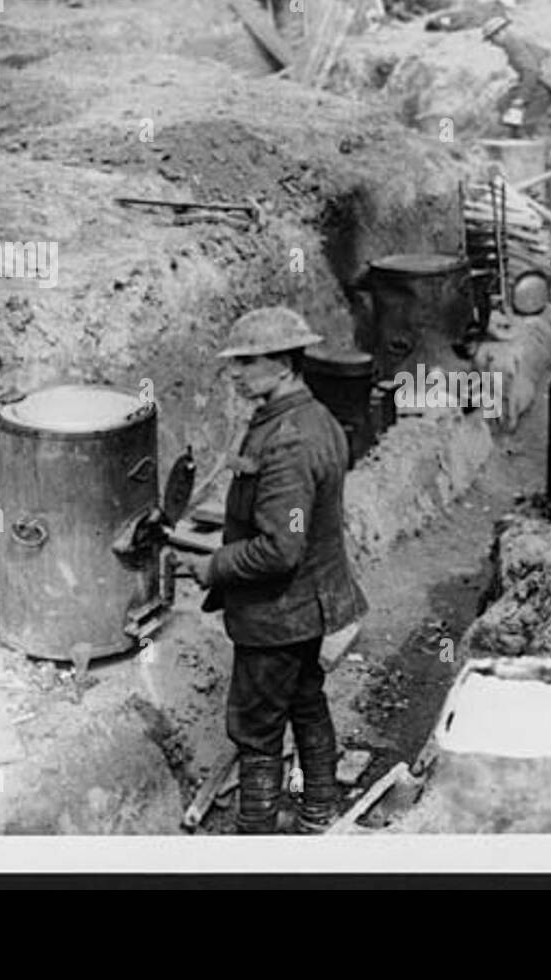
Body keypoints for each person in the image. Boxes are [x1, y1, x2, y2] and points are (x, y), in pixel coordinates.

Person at [187, 306, 368, 834]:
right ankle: (319, 812)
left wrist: (214, 566)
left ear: (286, 363)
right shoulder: (310, 418)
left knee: (256, 729)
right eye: (234, 362)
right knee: (306, 702)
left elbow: (282, 548)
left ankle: (256, 840)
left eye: (249, 361)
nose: (236, 373)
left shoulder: (288, 440)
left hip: (280, 613)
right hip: (312, 604)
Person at [481, 15, 551, 134]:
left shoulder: (514, 45)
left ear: (499, 33)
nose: (492, 44)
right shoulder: (513, 42)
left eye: (492, 39)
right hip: (542, 80)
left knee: (523, 118)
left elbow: (531, 71)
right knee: (504, 103)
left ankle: (530, 141)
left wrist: (521, 98)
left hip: (546, 83)